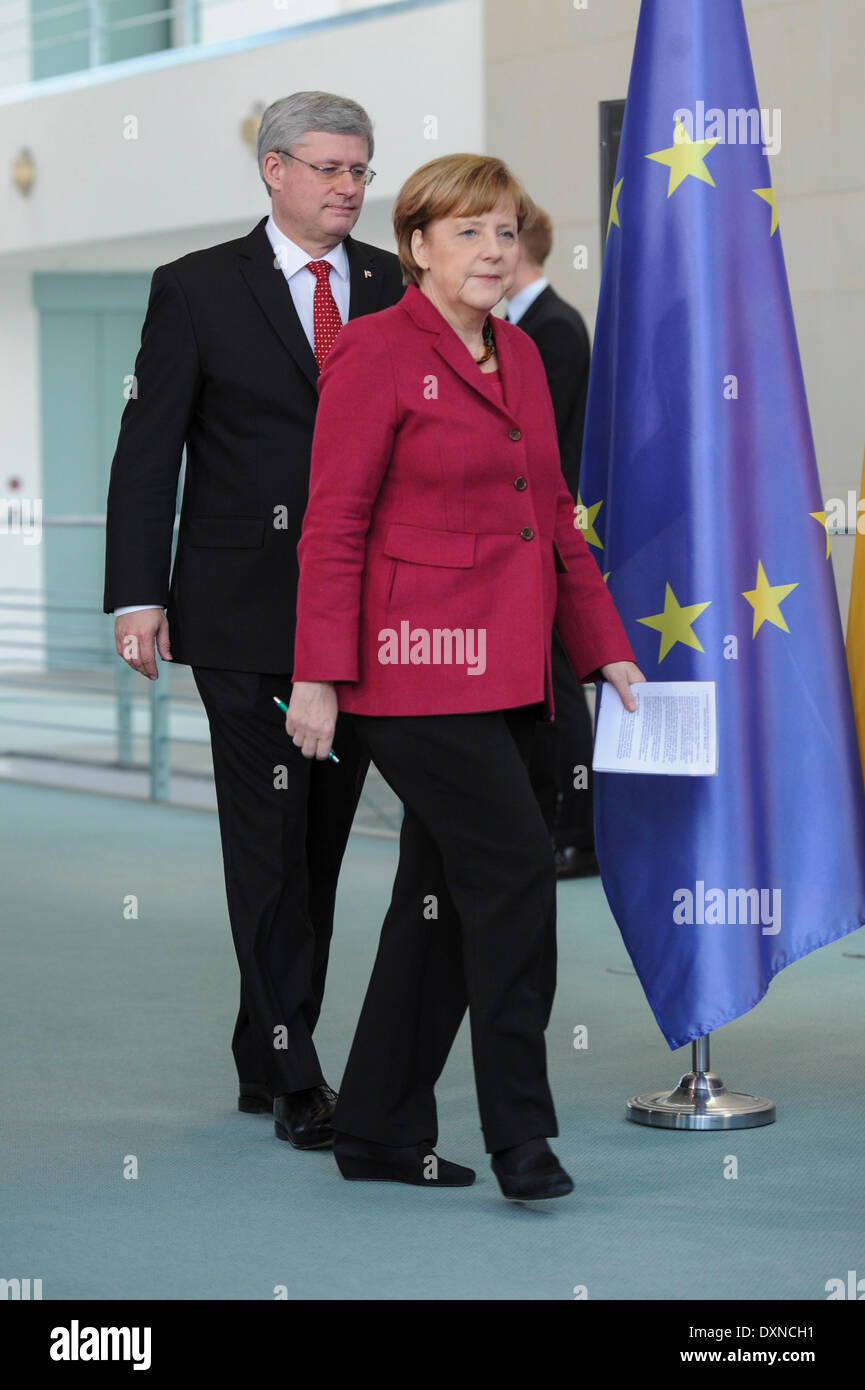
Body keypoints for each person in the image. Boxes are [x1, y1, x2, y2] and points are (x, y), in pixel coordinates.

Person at [285, 153, 645, 1202]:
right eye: (467, 233)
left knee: (435, 899)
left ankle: (380, 1129)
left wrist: (604, 643)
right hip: (408, 668)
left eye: (503, 233)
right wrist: (317, 674)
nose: (491, 251)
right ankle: (521, 1137)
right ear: (416, 250)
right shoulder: (373, 352)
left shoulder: (523, 355)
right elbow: (333, 523)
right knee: (517, 871)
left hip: (509, 665)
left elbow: (553, 522)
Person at [103, 91, 404, 1151]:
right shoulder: (193, 290)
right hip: (240, 617)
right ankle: (292, 1072)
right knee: (269, 842)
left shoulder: (390, 284)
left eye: (360, 171)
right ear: (272, 170)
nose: (347, 189)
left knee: (318, 845)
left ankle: (259, 1043)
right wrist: (138, 593)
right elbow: (150, 451)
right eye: (327, 168)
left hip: (367, 616)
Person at [506, 205, 599, 878]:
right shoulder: (525, 328)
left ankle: (578, 827)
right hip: (530, 537)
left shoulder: (553, 330)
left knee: (560, 683)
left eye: (496, 237)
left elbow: (549, 451)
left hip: (550, 537)